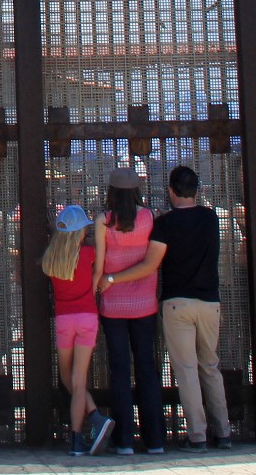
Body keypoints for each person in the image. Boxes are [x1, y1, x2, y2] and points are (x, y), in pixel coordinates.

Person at [151, 165, 233, 451]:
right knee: (210, 366)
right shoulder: (211, 219)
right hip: (210, 302)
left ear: (171, 191)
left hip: (178, 302)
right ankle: (223, 431)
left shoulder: (164, 224)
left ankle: (197, 434)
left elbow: (153, 262)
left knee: (186, 370)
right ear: (196, 190)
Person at [92, 165, 165, 455]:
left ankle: (124, 441)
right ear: (136, 190)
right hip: (145, 305)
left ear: (110, 192)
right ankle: (155, 440)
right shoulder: (149, 218)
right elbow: (151, 259)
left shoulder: (103, 221)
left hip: (112, 305)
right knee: (147, 368)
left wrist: (102, 283)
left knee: (120, 371)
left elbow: (100, 262)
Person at [44, 204, 113, 455]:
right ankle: (84, 429)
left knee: (66, 377)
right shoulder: (89, 254)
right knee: (79, 378)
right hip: (87, 317)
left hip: (64, 320)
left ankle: (89, 424)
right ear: (82, 232)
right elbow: (98, 272)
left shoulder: (52, 257)